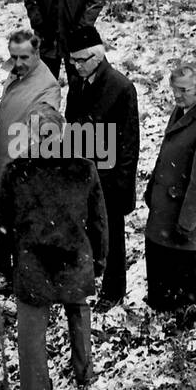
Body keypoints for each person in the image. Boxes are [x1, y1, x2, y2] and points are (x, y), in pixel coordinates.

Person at [0, 106, 108, 390]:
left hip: (33, 261)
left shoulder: (17, 170)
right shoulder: (83, 168)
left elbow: (2, 221)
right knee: (79, 312)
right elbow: (98, 220)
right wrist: (99, 259)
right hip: (73, 256)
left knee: (31, 329)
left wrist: (1, 262)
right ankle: (84, 372)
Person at [144, 61, 196, 330]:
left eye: (183, 90)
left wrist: (187, 222)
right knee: (163, 266)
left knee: (188, 273)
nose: (177, 96)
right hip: (165, 208)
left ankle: (190, 323)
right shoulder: (182, 111)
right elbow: (167, 151)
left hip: (182, 213)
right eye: (174, 89)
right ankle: (165, 310)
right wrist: (152, 186)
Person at [64, 27, 138, 313]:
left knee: (113, 235)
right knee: (86, 230)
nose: (77, 66)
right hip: (83, 171)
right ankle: (88, 279)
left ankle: (114, 290)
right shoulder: (78, 82)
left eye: (82, 60)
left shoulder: (121, 87)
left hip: (109, 177)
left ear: (98, 54)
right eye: (73, 61)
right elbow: (72, 123)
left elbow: (129, 143)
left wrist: (122, 185)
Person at [0, 29, 61, 219]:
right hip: (3, 163)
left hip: (21, 172)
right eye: (13, 57)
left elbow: (46, 120)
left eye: (24, 57)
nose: (18, 63)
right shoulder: (17, 71)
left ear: (36, 54)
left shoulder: (47, 86)